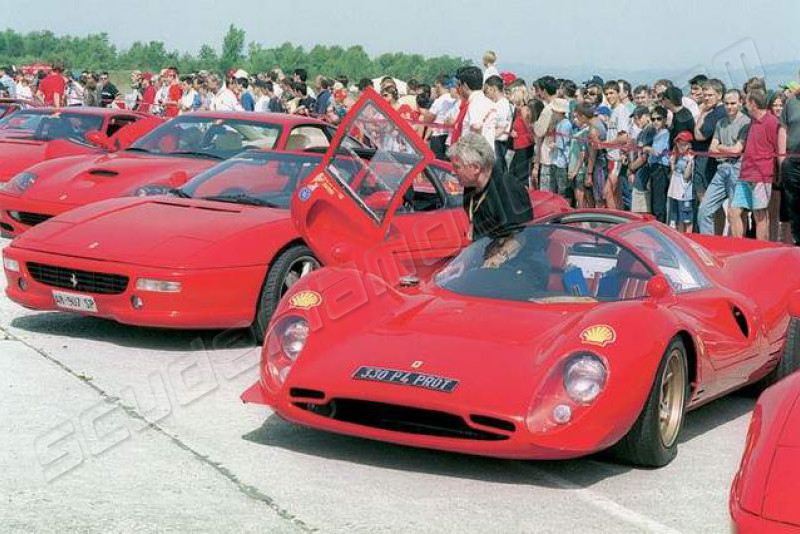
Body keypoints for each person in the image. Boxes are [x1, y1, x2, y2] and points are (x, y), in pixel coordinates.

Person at [447, 132, 533, 242]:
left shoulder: (508, 190)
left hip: (514, 257)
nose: (453, 172)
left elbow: (518, 240)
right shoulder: (471, 187)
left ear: (476, 168)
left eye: (457, 167)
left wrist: (493, 259)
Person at [698, 90, 751, 235]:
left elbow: (736, 150)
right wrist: (725, 149)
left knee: (734, 214)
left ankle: (736, 248)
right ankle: (708, 244)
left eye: (733, 103)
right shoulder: (721, 123)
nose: (729, 107)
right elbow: (711, 149)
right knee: (704, 209)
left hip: (737, 168)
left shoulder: (746, 122)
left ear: (740, 102)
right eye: (727, 103)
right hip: (721, 168)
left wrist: (721, 147)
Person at [734, 89, 778, 240]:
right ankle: (738, 246)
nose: (744, 105)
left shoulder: (772, 122)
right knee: (734, 212)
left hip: (762, 175)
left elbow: (778, 149)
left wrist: (777, 175)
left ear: (752, 104)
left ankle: (761, 248)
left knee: (760, 214)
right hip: (745, 173)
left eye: (746, 102)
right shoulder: (751, 121)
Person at [779, 80, 800, 245]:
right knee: (793, 204)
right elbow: (783, 129)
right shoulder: (791, 102)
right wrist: (781, 158)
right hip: (792, 162)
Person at [643, 106, 671, 223]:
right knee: (655, 200)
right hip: (654, 167)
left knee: (658, 201)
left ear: (664, 119)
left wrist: (646, 148)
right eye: (653, 119)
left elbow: (657, 151)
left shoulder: (665, 133)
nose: (655, 122)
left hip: (660, 168)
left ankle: (660, 225)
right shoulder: (656, 133)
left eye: (658, 119)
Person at [508, 80, 535, 190]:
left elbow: (529, 128)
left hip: (524, 145)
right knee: (514, 172)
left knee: (520, 174)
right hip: (519, 145)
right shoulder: (518, 110)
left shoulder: (524, 110)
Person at [484, 75, 513, 175]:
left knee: (498, 172)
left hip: (498, 143)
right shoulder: (498, 104)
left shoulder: (502, 105)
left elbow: (502, 126)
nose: (486, 92)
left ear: (494, 89)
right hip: (496, 141)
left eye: (487, 89)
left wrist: (488, 138)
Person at [667, 131, 695, 233]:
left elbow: (686, 177)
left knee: (687, 220)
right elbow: (674, 172)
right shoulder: (677, 156)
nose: (681, 146)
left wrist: (689, 163)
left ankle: (688, 238)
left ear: (689, 145)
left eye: (684, 144)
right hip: (675, 193)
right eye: (679, 143)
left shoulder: (689, 158)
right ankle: (680, 238)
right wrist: (672, 162)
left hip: (684, 195)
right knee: (677, 219)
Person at [569, 104, 593, 208]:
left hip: (580, 170)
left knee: (581, 197)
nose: (575, 120)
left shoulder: (583, 133)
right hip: (574, 167)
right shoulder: (578, 132)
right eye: (573, 117)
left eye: (576, 117)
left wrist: (575, 171)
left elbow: (582, 154)